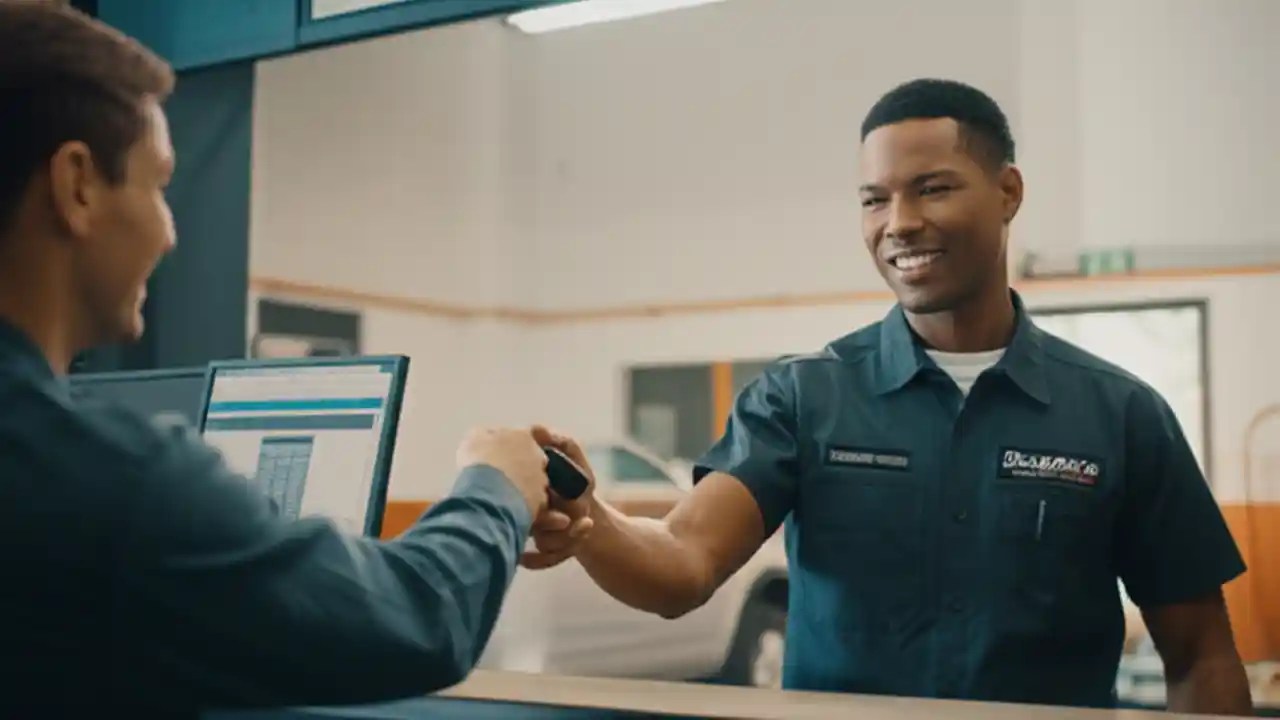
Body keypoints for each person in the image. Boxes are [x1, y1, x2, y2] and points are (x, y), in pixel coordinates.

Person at [524, 78, 1255, 714]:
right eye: (875, 199)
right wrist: (590, 518)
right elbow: (682, 566)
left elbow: (1199, 656)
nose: (899, 223)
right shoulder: (800, 397)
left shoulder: (1122, 415)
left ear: (1008, 193)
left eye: (932, 188)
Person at [0, 2, 589, 715]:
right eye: (158, 186)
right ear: (77, 186)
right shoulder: (104, 480)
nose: (169, 234)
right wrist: (497, 484)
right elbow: (415, 618)